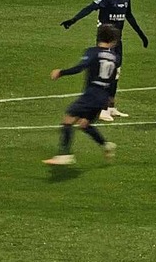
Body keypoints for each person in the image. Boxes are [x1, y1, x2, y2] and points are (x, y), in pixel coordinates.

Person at [62, 0, 149, 122]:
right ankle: (101, 110)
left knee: (116, 74)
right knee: (105, 75)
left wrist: (141, 35)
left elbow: (129, 16)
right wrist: (73, 20)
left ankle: (111, 107)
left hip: (117, 42)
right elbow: (89, 8)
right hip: (105, 43)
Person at [42, 25, 121, 166]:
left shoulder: (93, 52)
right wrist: (110, 98)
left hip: (92, 94)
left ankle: (65, 154)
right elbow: (113, 78)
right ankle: (106, 145)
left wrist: (61, 72)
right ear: (113, 41)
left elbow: (80, 67)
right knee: (84, 124)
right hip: (103, 96)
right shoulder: (115, 57)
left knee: (68, 120)